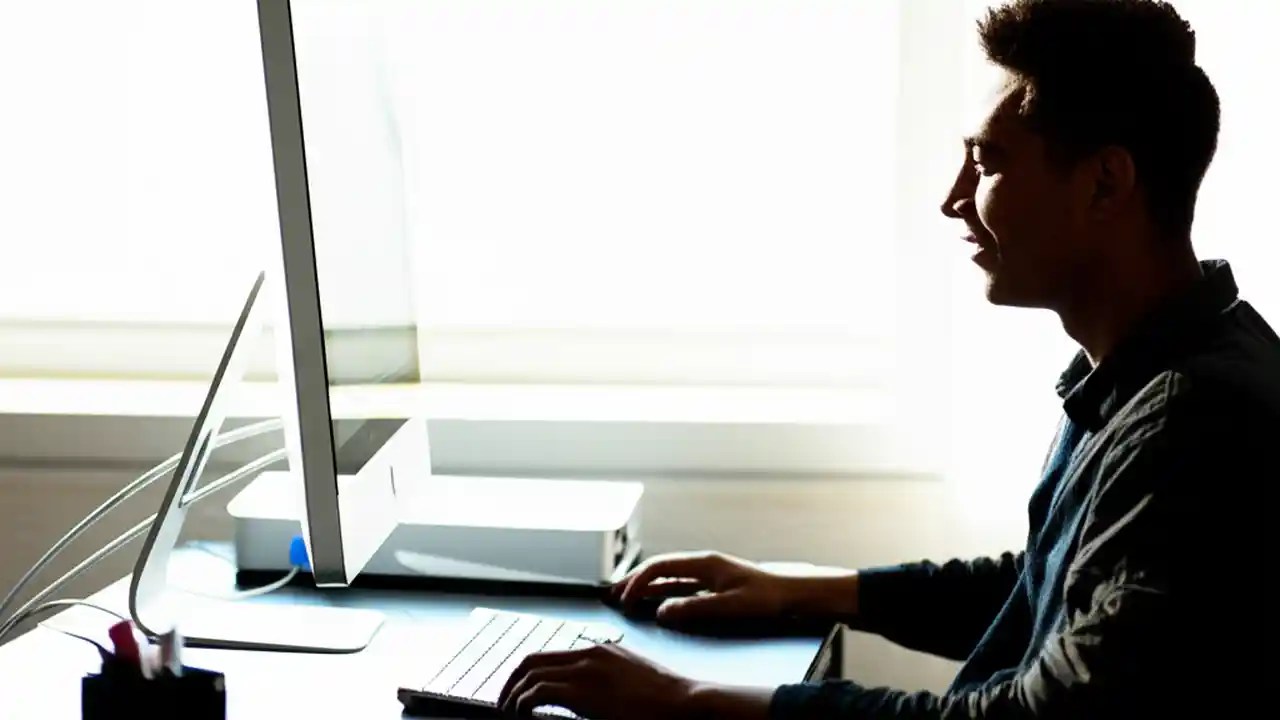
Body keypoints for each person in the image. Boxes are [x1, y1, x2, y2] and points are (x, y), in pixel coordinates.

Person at [498, 0, 1280, 717]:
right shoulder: (1151, 371)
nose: (953, 198)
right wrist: (797, 592)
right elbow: (1048, 585)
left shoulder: (1195, 419)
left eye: (989, 162)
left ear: (1105, 183)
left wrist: (687, 699)